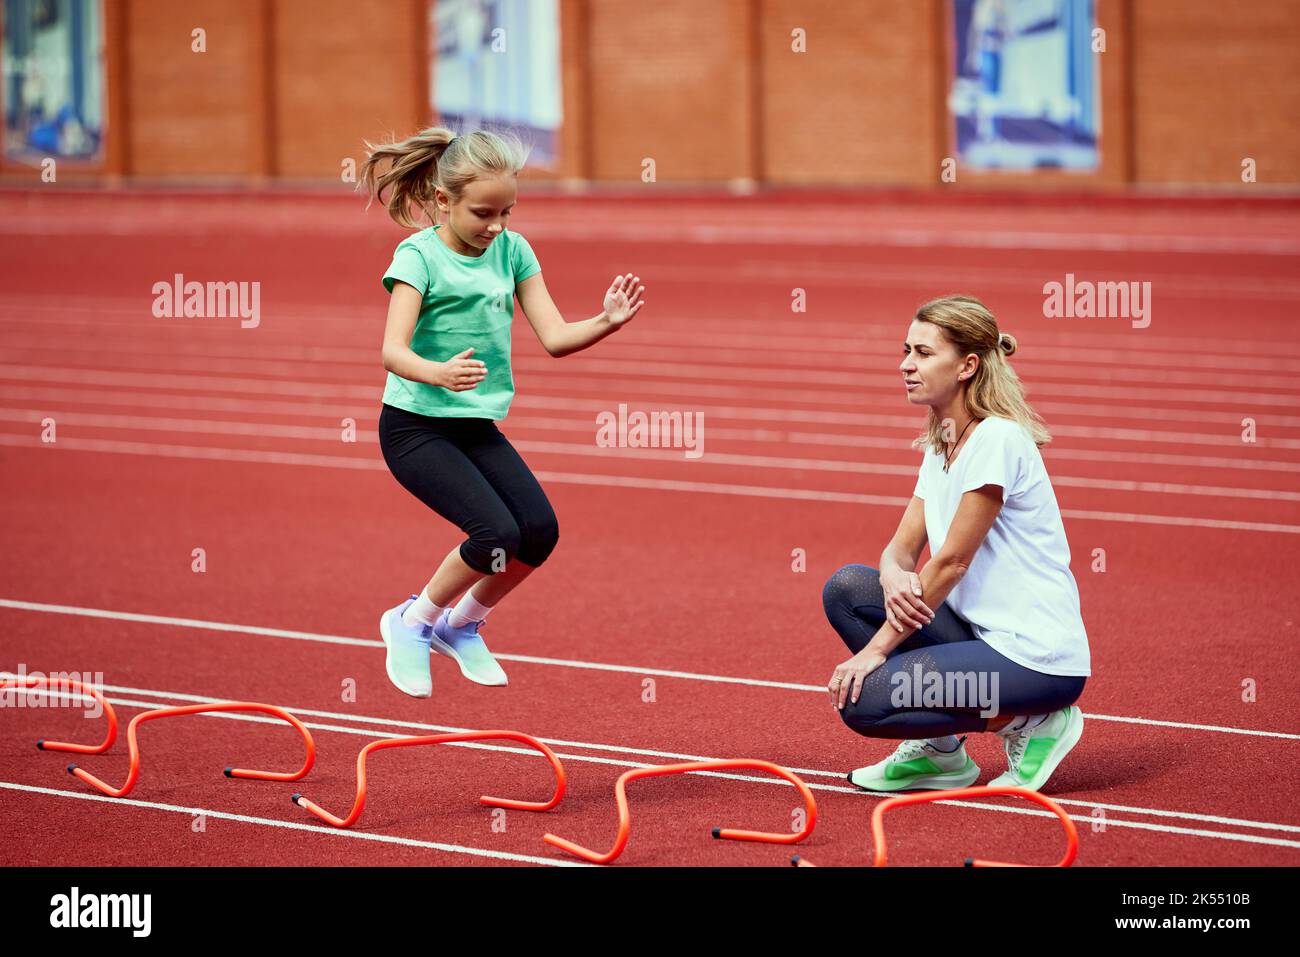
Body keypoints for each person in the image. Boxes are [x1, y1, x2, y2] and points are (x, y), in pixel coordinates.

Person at [358, 126, 646, 698]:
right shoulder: (418, 255)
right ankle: (411, 623)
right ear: (443, 201)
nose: (497, 226)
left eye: (507, 211)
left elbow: (557, 338)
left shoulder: (514, 250)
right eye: (483, 213)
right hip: (415, 427)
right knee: (494, 532)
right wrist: (435, 372)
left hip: (472, 426)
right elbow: (392, 349)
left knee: (537, 532)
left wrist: (605, 322)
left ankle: (461, 625)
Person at [822, 295, 1089, 793]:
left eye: (923, 353)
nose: (905, 364)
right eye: (906, 351)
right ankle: (943, 753)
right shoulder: (944, 442)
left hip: (1034, 658)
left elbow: (951, 562)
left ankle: (1035, 723)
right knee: (848, 590)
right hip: (981, 636)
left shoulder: (998, 440)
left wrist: (874, 652)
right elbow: (900, 551)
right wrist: (892, 574)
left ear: (967, 366)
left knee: (868, 699)